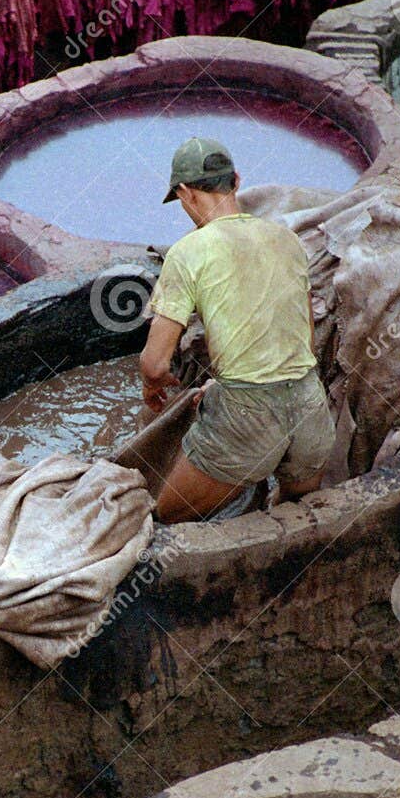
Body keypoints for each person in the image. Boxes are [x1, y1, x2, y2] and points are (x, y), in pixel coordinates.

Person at [138, 136, 334, 523]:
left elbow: (155, 363)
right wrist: (221, 386)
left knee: (166, 521)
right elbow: (302, 340)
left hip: (247, 420)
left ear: (184, 193)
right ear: (237, 181)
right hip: (311, 410)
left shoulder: (189, 251)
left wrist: (152, 387)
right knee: (293, 518)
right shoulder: (287, 240)